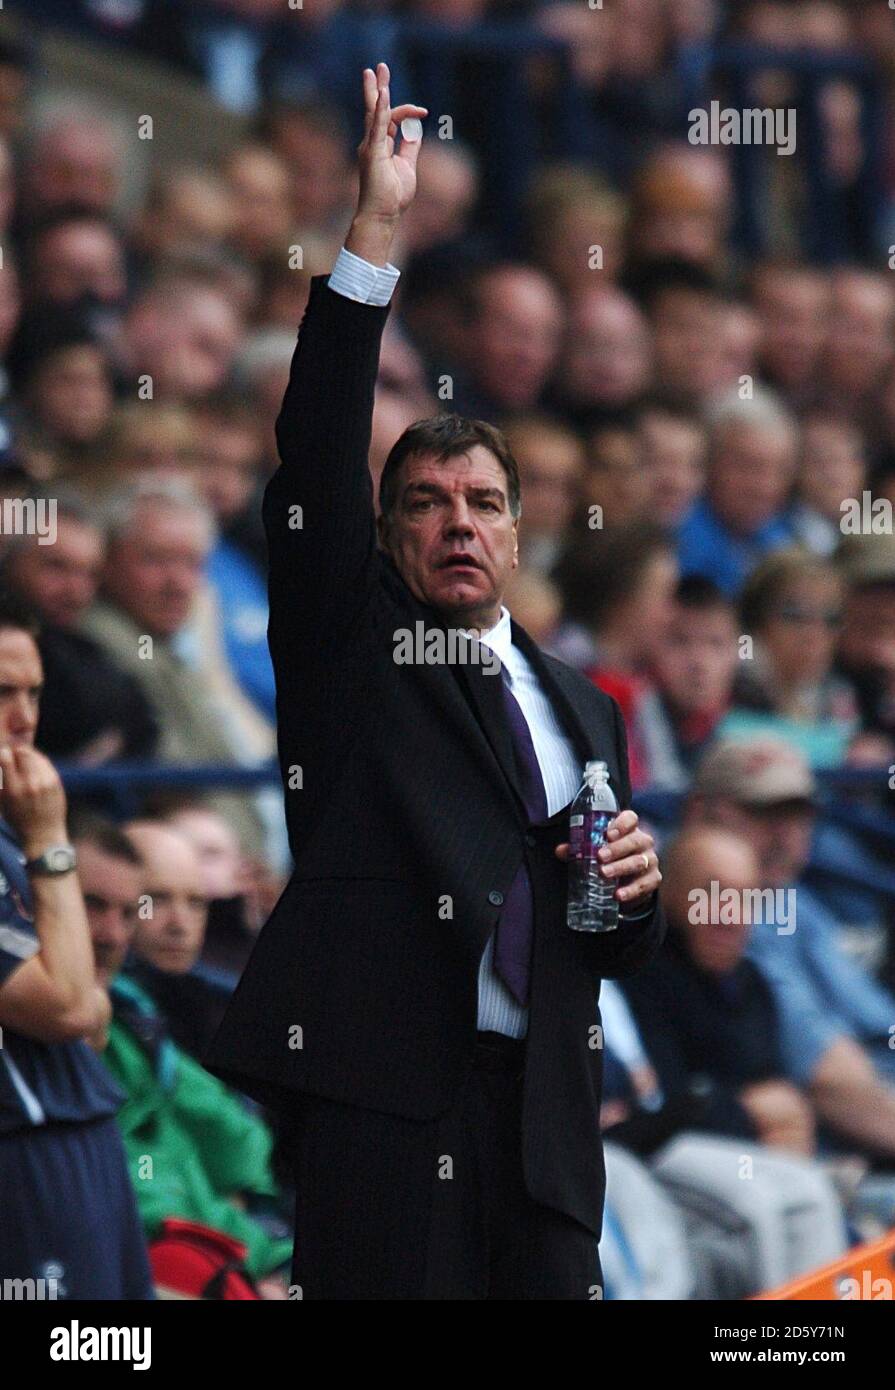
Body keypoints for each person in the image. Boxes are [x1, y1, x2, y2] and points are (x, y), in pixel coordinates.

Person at [207, 63, 665, 1301]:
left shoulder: (587, 706)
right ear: (391, 534)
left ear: (519, 534)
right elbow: (313, 460)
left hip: (548, 1138)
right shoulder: (355, 649)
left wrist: (633, 890)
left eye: (482, 505)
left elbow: (600, 934)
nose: (455, 526)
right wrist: (373, 235)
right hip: (392, 1117)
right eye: (422, 505)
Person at [0, 593, 152, 1299]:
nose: (25, 717)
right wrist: (50, 842)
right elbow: (66, 1005)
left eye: (33, 692)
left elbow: (94, 1021)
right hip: (26, 1155)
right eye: (3, 693)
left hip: (84, 1136)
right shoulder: (32, 831)